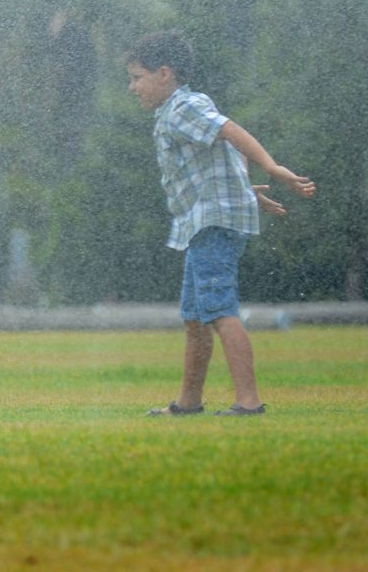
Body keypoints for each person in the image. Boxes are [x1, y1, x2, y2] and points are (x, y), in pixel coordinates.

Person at [124, 31, 314, 417]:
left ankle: (249, 401)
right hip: (203, 223)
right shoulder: (182, 108)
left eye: (137, 77)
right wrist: (246, 191)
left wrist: (271, 167)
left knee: (219, 311)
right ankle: (188, 402)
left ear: (164, 73)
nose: (132, 87)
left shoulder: (183, 107)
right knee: (196, 318)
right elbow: (223, 143)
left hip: (212, 223)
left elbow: (231, 130)